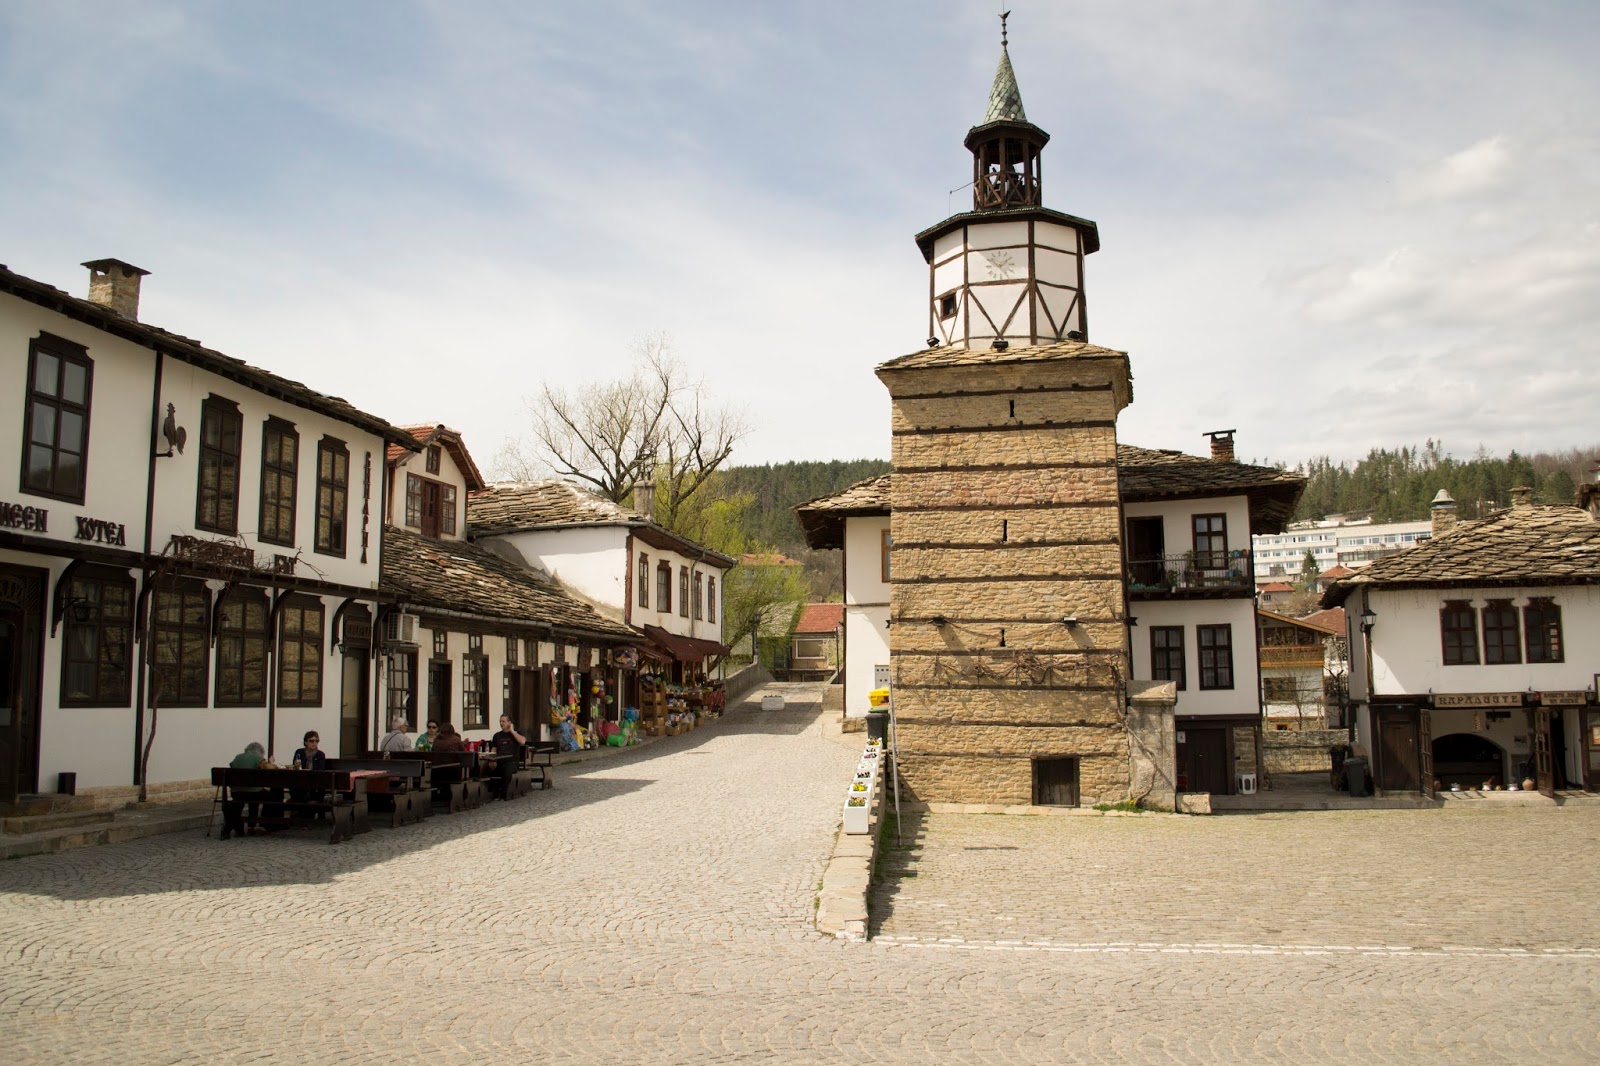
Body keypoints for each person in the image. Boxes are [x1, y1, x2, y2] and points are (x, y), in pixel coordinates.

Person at [222, 741, 266, 839]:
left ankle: (236, 828)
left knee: (237, 803)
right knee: (269, 796)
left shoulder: (237, 757)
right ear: (259, 752)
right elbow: (267, 769)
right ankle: (256, 825)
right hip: (253, 792)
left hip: (236, 792)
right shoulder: (258, 759)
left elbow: (232, 767)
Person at [489, 714, 526, 800]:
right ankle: (494, 792)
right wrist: (492, 760)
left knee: (507, 770)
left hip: (512, 761)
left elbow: (523, 741)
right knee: (490, 769)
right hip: (499, 760)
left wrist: (512, 731)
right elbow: (493, 749)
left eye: (503, 721)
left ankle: (504, 792)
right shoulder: (497, 735)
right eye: (500, 721)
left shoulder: (516, 734)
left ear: (509, 722)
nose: (501, 723)